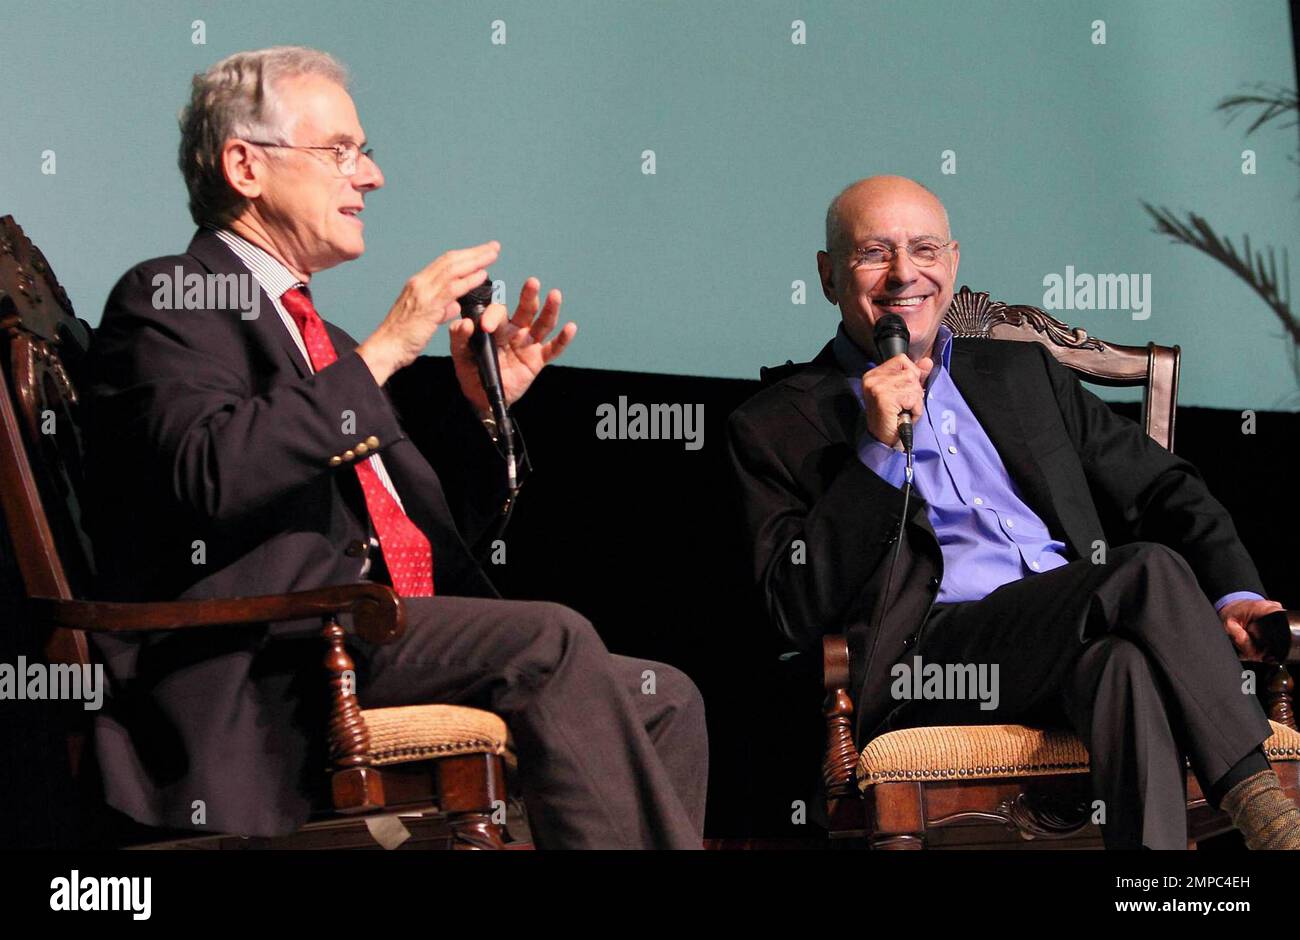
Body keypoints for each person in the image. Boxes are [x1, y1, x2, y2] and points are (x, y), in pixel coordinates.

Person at [83, 46, 707, 849]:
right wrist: (382, 354)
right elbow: (209, 472)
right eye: (339, 152)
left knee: (667, 697)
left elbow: (415, 530)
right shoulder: (171, 298)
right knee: (550, 640)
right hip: (272, 657)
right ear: (245, 166)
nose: (370, 177)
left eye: (364, 152)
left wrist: (485, 414)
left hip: (365, 634)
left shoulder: (324, 340)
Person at [726, 174, 1300, 849]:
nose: (905, 273)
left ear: (954, 262)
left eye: (925, 249)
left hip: (1070, 633)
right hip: (931, 660)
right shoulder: (773, 424)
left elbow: (1164, 488)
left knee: (1123, 668)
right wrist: (876, 454)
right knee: (1142, 571)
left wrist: (1237, 593)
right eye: (874, 253)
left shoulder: (1022, 376)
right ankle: (1269, 816)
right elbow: (790, 607)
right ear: (829, 276)